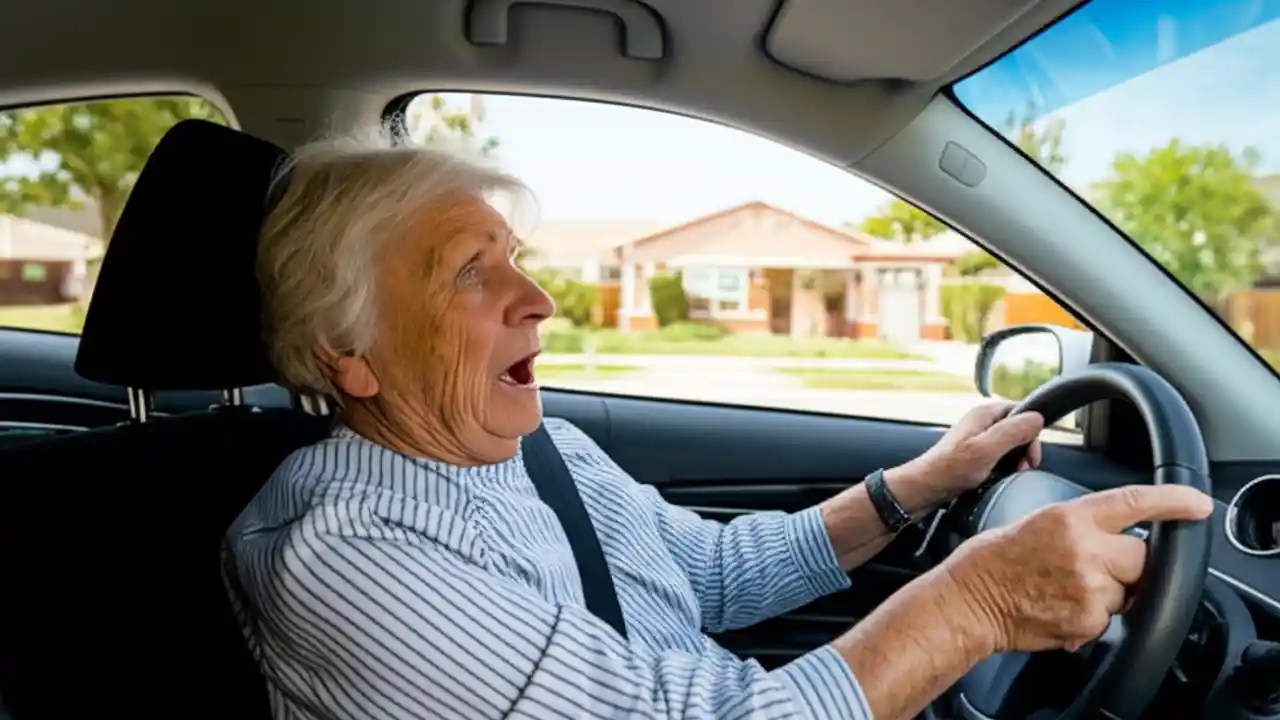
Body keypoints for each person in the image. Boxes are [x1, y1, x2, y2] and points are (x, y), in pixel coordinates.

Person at [222, 131, 1214, 720]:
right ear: (345, 350)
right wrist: (974, 606)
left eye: (516, 258)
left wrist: (927, 480)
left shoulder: (540, 449)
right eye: (470, 273)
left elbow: (711, 575)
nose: (538, 300)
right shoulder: (346, 556)